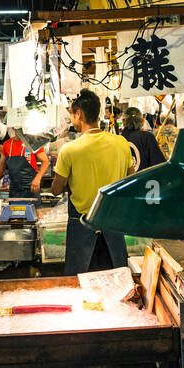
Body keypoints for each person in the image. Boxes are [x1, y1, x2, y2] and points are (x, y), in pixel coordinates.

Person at [50, 89, 134, 274]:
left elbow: (55, 189)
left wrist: (70, 184)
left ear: (78, 114)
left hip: (82, 227)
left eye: (71, 115)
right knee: (117, 288)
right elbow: (130, 181)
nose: (71, 119)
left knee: (81, 289)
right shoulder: (121, 143)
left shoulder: (69, 149)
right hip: (113, 224)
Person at [0, 128, 50, 197]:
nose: (20, 130)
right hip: (14, 189)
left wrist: (38, 178)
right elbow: (0, 167)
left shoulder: (33, 142)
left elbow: (46, 162)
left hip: (32, 188)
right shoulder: (7, 144)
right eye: (17, 127)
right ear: (13, 128)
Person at [121, 107, 166, 171]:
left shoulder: (118, 139)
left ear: (123, 121)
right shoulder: (148, 137)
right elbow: (158, 165)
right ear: (143, 121)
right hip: (144, 179)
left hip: (123, 180)